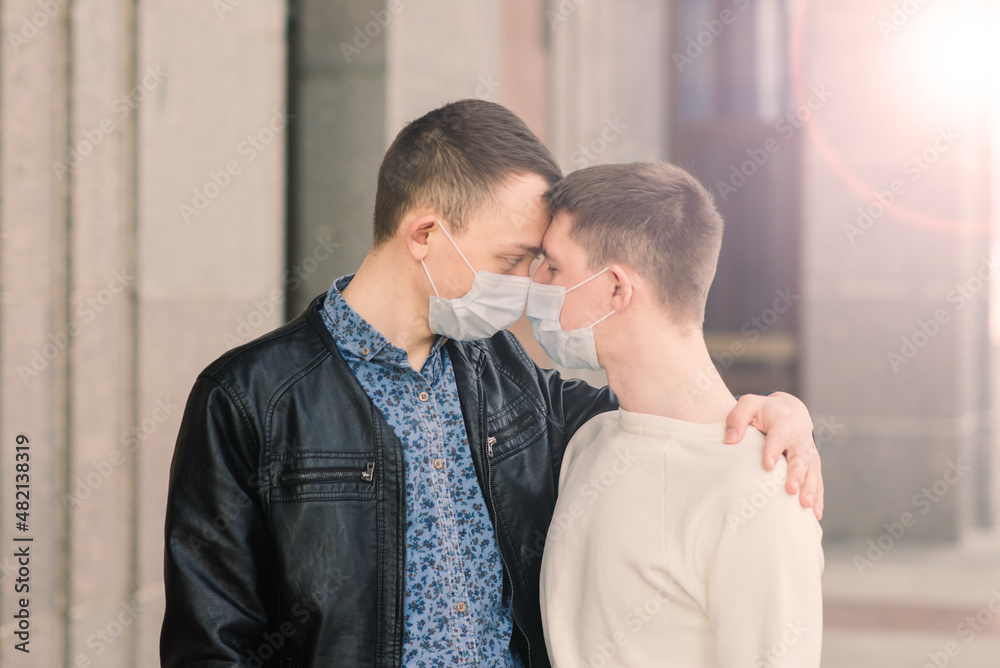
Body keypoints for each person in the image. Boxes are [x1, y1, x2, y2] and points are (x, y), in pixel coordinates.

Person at [160, 100, 823, 667]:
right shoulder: (248, 399)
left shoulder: (507, 374)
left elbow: (661, 415)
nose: (527, 288)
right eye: (512, 260)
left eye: (540, 265)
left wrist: (775, 411)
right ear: (425, 234)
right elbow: (213, 644)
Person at [535, 162, 824, 667]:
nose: (533, 282)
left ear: (616, 289)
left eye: (553, 267)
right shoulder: (590, 439)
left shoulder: (757, 492)